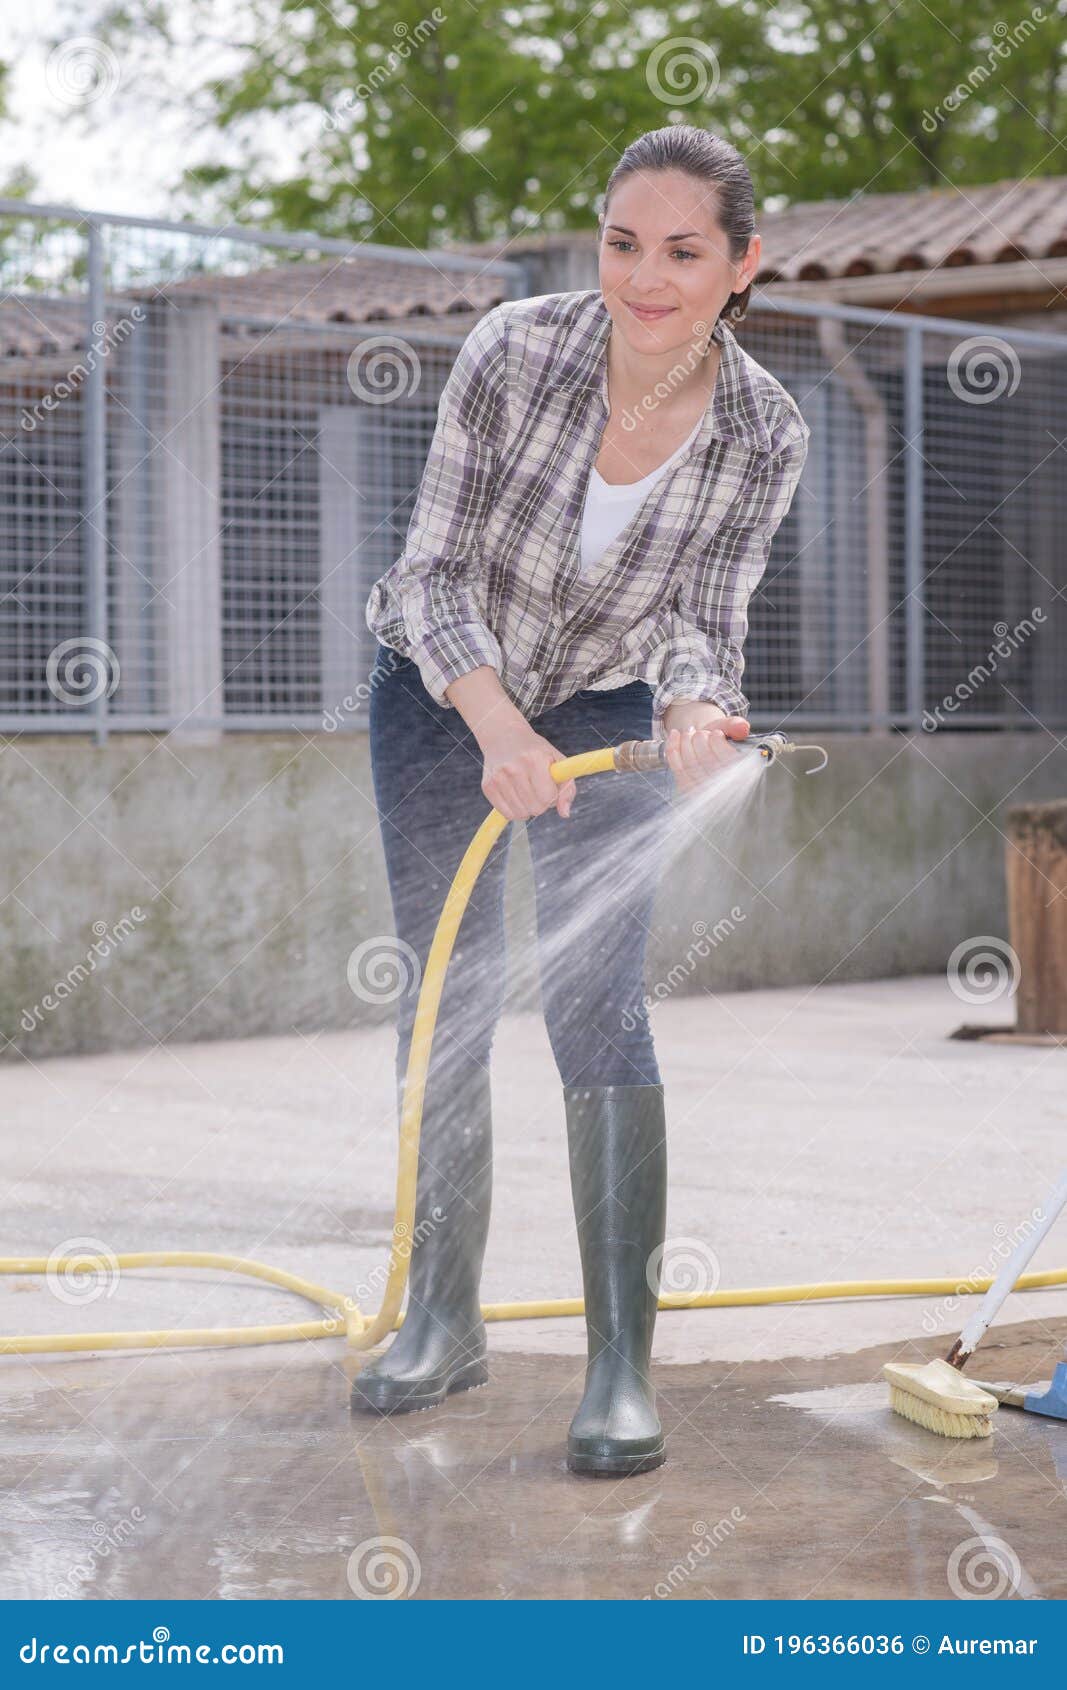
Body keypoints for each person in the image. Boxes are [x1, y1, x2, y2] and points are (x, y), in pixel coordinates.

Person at [352, 124, 810, 1477]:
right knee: (447, 985)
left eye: (683, 251)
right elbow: (429, 572)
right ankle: (442, 1316)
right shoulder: (513, 352)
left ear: (741, 265)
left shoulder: (763, 429)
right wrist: (493, 724)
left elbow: (702, 618)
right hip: (442, 686)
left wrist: (687, 708)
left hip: (608, 705)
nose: (646, 277)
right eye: (624, 244)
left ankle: (620, 1368)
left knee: (595, 999)